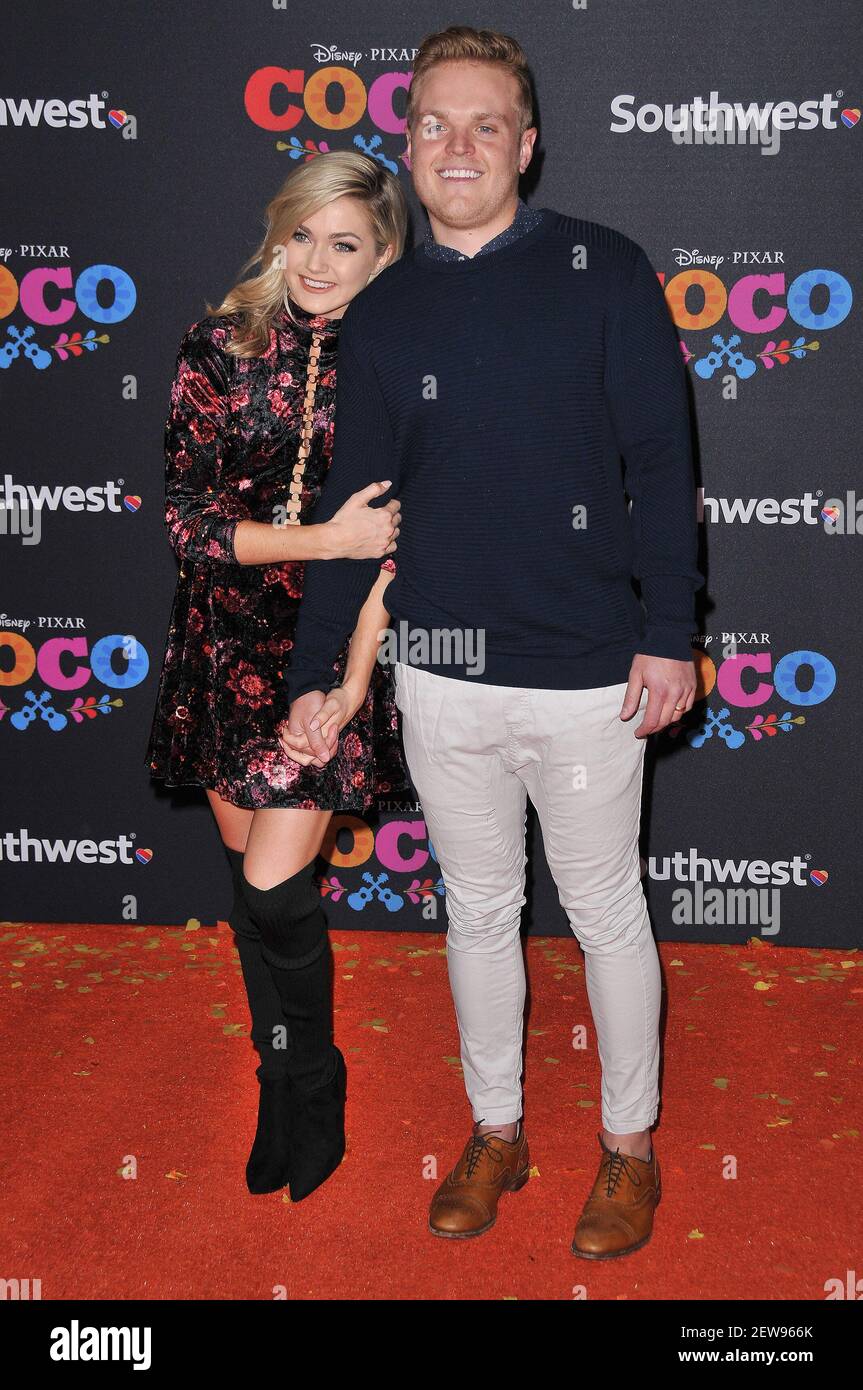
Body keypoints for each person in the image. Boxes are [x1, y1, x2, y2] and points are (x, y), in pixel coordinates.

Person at [279, 27, 704, 1255]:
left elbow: (661, 466)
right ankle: (497, 1129)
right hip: (438, 674)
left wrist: (668, 633)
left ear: (524, 142)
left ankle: (626, 1150)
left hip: (586, 674)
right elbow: (354, 514)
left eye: (482, 125)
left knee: (604, 912)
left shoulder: (605, 270)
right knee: (474, 910)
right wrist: (321, 676)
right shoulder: (381, 307)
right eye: (431, 125)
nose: (454, 146)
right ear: (405, 145)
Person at [146, 151, 411, 1202]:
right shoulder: (220, 345)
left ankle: (314, 1082)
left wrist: (349, 682)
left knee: (274, 885)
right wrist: (321, 536)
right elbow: (185, 523)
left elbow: (392, 551)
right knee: (253, 898)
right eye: (300, 232)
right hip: (221, 650)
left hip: (326, 655)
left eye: (342, 241)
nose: (313, 258)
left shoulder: (400, 364)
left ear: (385, 254)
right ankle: (276, 1079)